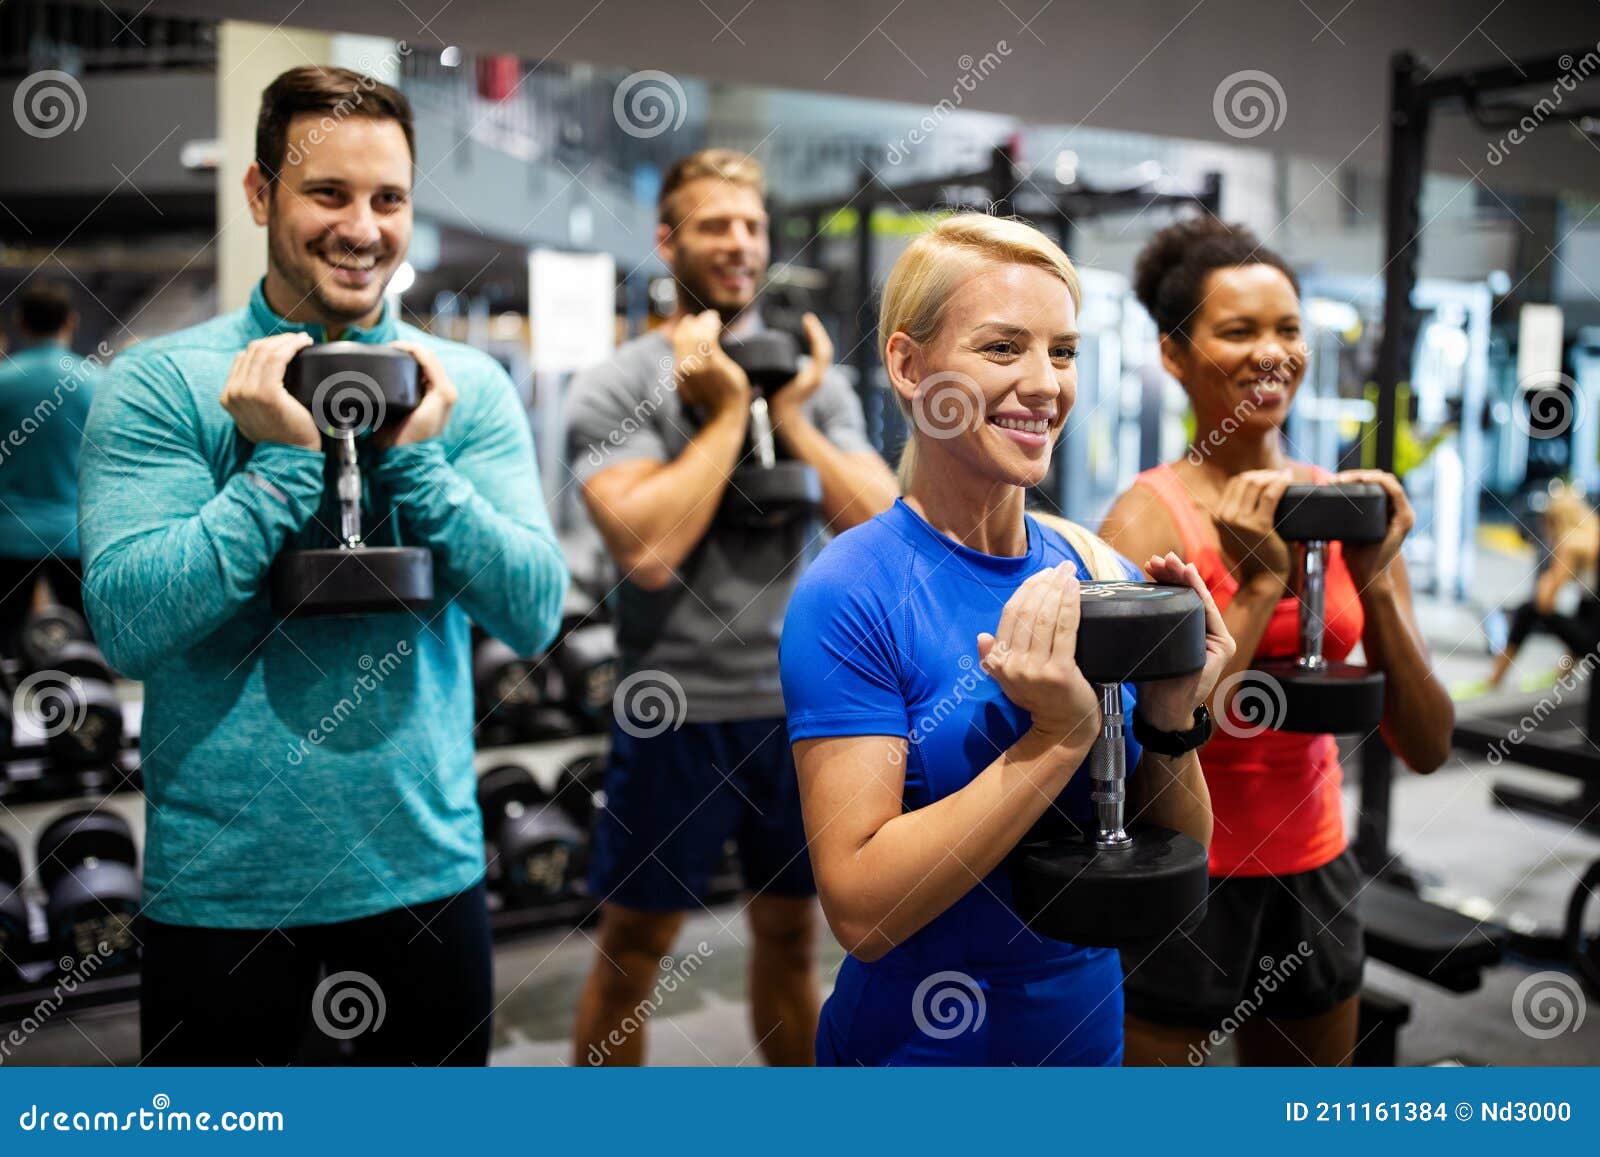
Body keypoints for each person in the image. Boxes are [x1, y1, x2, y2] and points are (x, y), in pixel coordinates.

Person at [77, 66, 568, 1065]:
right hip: (225, 892)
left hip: (425, 877)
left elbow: (533, 610)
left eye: (388, 198)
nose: (362, 228)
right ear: (261, 195)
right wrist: (279, 468)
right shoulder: (161, 383)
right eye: (329, 193)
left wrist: (419, 465)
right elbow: (129, 624)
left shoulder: (465, 387)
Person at [778, 214, 1232, 1066]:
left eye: (1063, 352)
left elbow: (1180, 858)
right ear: (909, 366)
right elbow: (862, 910)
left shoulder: (1096, 567)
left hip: (1085, 1040)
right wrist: (1057, 739)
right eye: (1002, 348)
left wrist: (1173, 719)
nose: (1045, 384)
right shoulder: (853, 590)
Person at [565, 148, 898, 1066]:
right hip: (677, 706)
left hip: (801, 709)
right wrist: (720, 413)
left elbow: (880, 526)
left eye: (752, 226)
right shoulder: (618, 385)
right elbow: (648, 553)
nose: (740, 243)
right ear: (668, 239)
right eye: (715, 224)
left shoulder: (814, 380)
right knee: (635, 947)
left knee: (792, 935)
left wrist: (783, 413)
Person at [1099, 216, 1454, 1066]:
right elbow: (1152, 748)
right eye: (1238, 330)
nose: (1272, 352)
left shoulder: (1346, 507)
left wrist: (1373, 577)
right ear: (1174, 354)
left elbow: (1428, 744)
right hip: (1186, 869)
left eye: (1288, 328)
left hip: (1315, 864)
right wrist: (1260, 586)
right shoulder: (1146, 522)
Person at [0, 280, 100, 657]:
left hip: (8, 538)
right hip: (75, 535)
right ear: (71, 321)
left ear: (20, 321)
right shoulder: (97, 383)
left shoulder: (3, 382)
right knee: (92, 649)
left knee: (4, 648)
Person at [1486, 481, 1599, 690]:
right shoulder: (1592, 534)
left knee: (1528, 610)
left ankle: (1494, 678)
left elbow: (1544, 600)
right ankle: (1562, 674)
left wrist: (1552, 566)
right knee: (1585, 607)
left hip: (1594, 640)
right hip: (1593, 627)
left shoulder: (1571, 543)